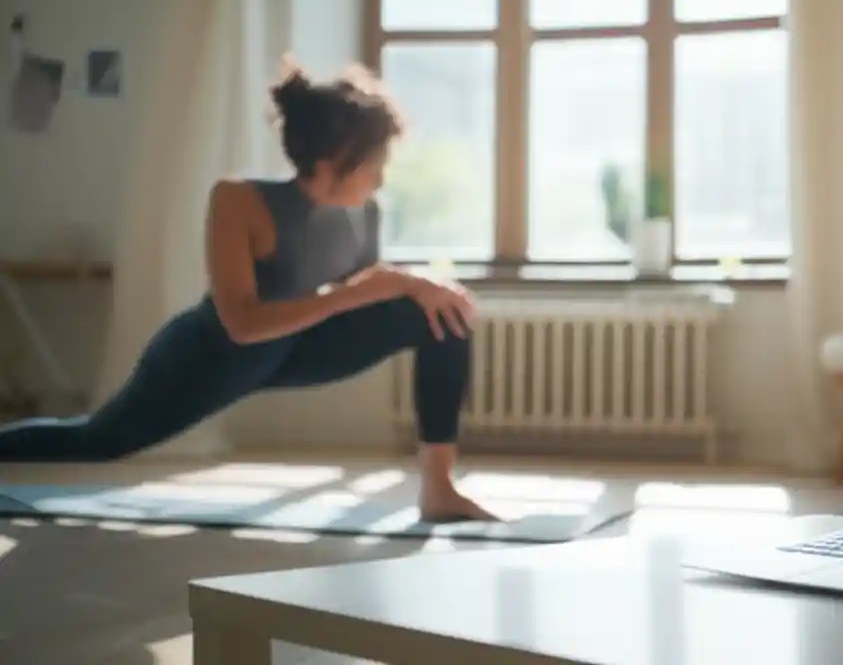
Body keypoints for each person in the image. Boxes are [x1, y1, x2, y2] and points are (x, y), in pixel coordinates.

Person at [0, 60, 496, 521]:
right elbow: (241, 323)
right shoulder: (239, 200)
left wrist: (418, 285)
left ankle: (439, 489)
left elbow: (365, 285)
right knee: (97, 441)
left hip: (295, 347)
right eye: (374, 162)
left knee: (443, 318)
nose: (381, 178)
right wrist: (370, 289)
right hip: (212, 357)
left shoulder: (365, 212)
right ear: (333, 160)